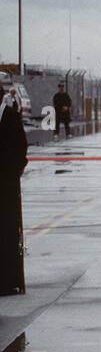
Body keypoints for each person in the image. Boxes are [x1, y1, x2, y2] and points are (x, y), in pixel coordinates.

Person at [0, 85, 28, 294]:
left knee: (7, 231)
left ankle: (8, 280)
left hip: (6, 184)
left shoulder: (10, 117)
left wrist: (12, 173)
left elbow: (21, 149)